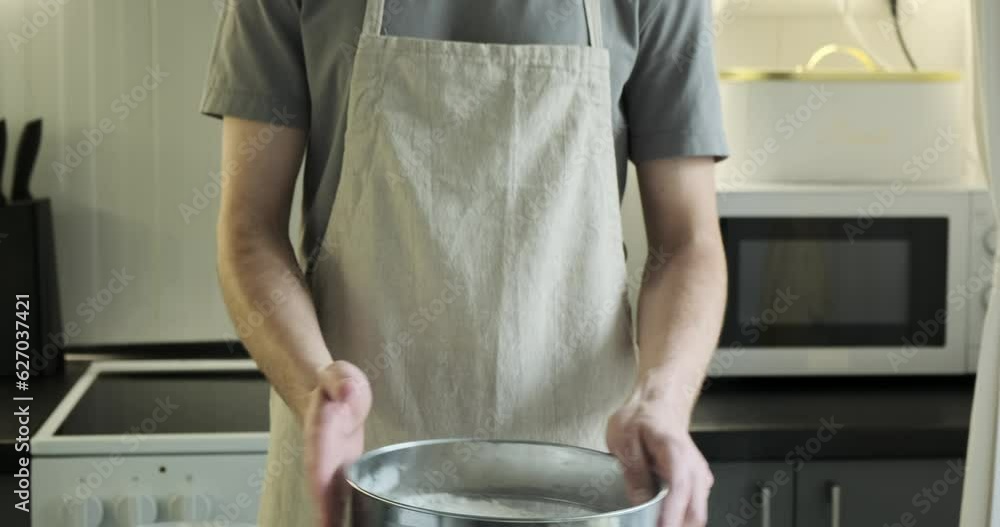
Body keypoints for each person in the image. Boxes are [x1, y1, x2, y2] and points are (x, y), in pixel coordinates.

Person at [202, 1, 729, 526]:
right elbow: (250, 231)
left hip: (581, 481)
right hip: (354, 471)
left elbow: (688, 241)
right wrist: (313, 387)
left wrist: (664, 398)